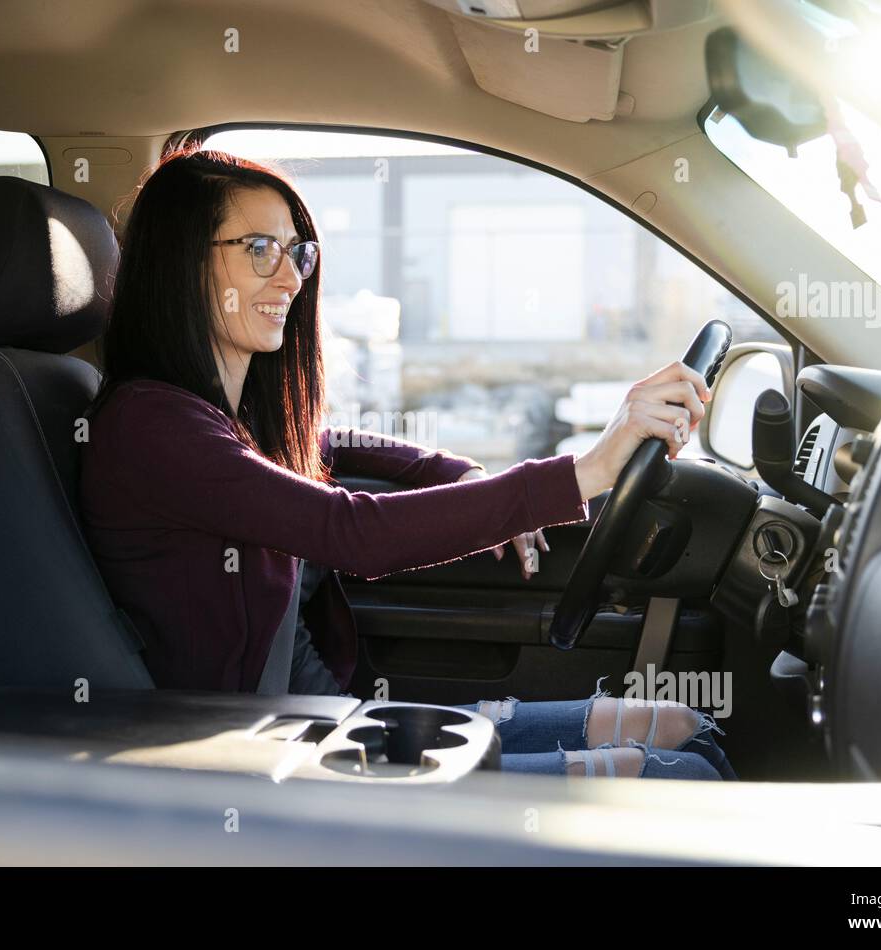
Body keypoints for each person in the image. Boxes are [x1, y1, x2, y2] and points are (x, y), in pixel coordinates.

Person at [79, 146, 734, 782]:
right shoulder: (152, 426)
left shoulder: (234, 416)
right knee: (676, 773)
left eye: (297, 252)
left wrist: (454, 471)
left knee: (680, 725)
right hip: (256, 766)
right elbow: (352, 532)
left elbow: (333, 444)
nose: (291, 278)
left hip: (327, 723)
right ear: (181, 262)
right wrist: (585, 472)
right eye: (259, 250)